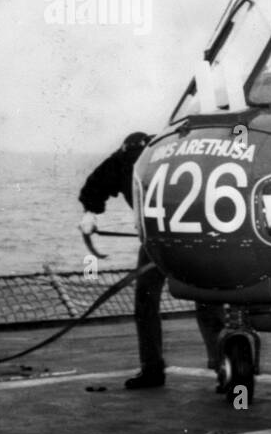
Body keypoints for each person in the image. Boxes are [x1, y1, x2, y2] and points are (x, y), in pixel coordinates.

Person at [78, 132, 223, 390]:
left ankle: (210, 366)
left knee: (196, 302)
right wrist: (90, 211)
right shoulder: (128, 159)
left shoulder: (138, 157)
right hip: (165, 241)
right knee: (194, 301)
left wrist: (90, 213)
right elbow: (96, 185)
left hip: (182, 239)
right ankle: (199, 366)